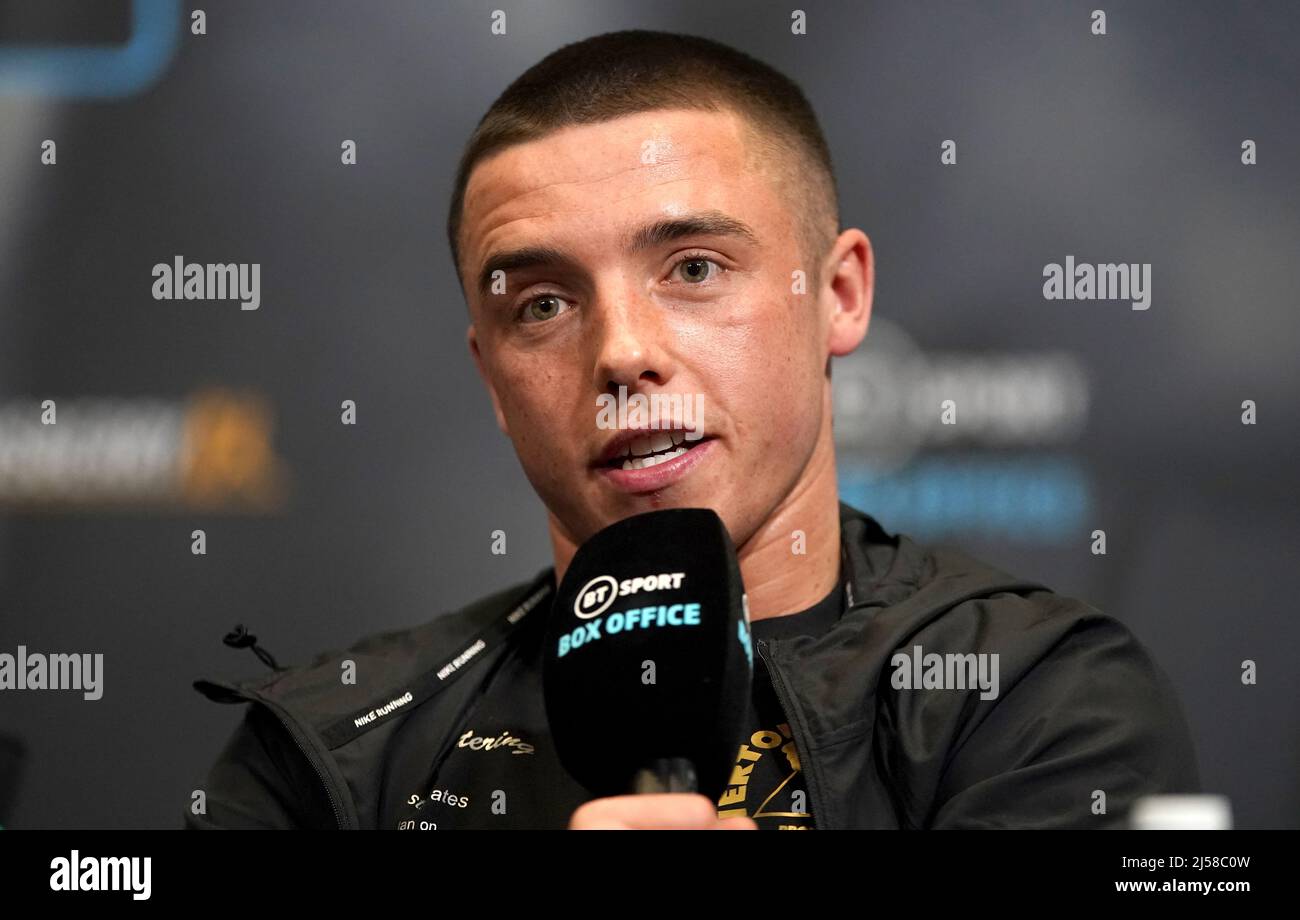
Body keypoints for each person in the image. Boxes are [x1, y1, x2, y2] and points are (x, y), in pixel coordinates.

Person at [186, 29, 1198, 830]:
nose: (622, 352)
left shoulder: (1035, 698)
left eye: (694, 269)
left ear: (836, 295)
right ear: (491, 375)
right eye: (541, 303)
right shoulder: (329, 746)